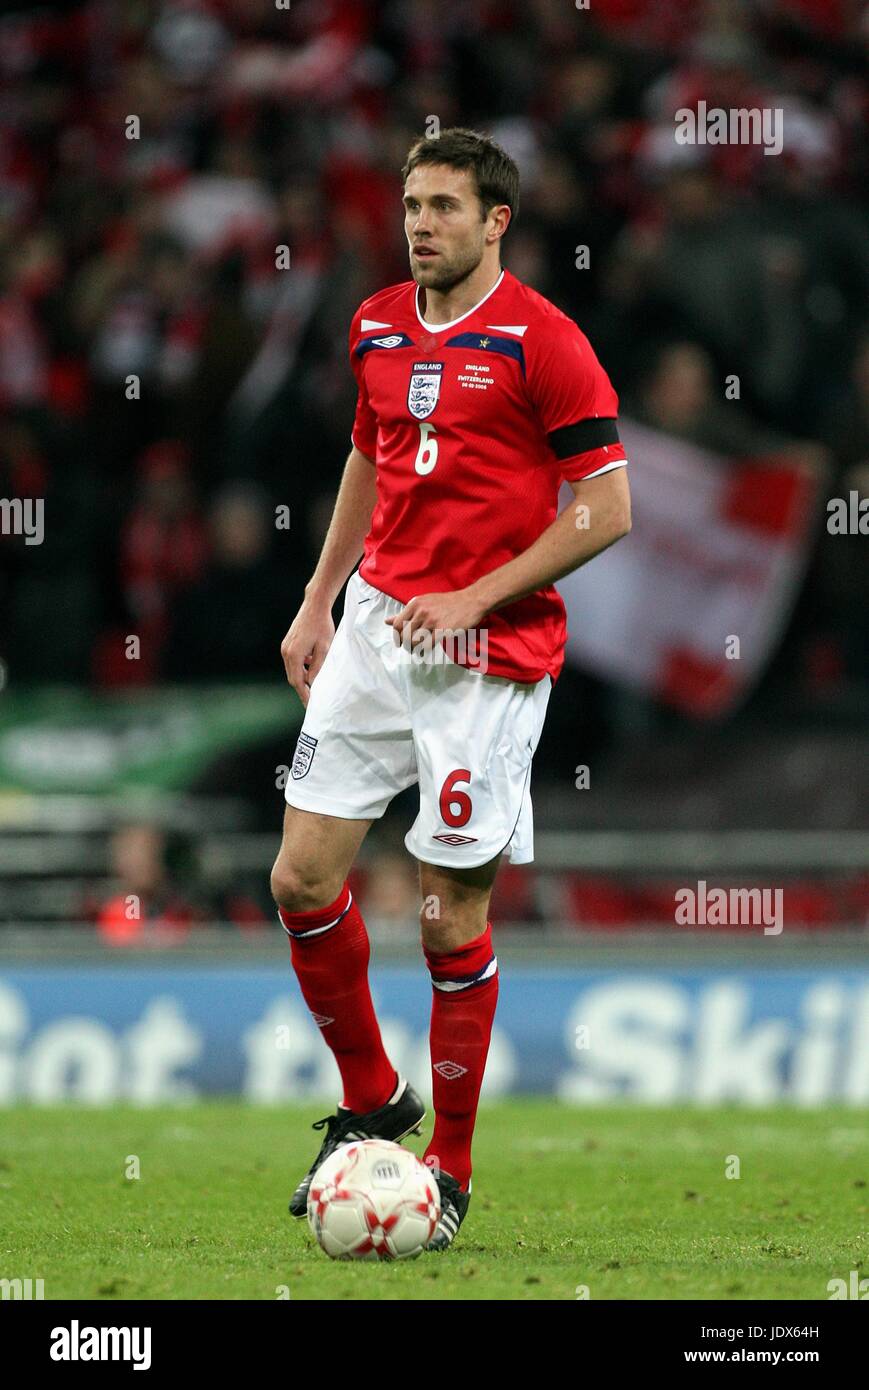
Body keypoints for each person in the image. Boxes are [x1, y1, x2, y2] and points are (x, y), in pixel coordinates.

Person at [270, 128, 631, 1251]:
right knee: (298, 877)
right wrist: (321, 594)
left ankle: (453, 1166)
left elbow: (604, 508)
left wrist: (479, 594)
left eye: (441, 206)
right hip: (378, 625)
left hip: (486, 657)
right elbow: (370, 454)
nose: (419, 222)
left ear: (494, 223)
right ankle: (375, 1097)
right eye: (411, 203)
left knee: (443, 914)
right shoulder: (374, 322)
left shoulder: (545, 342)